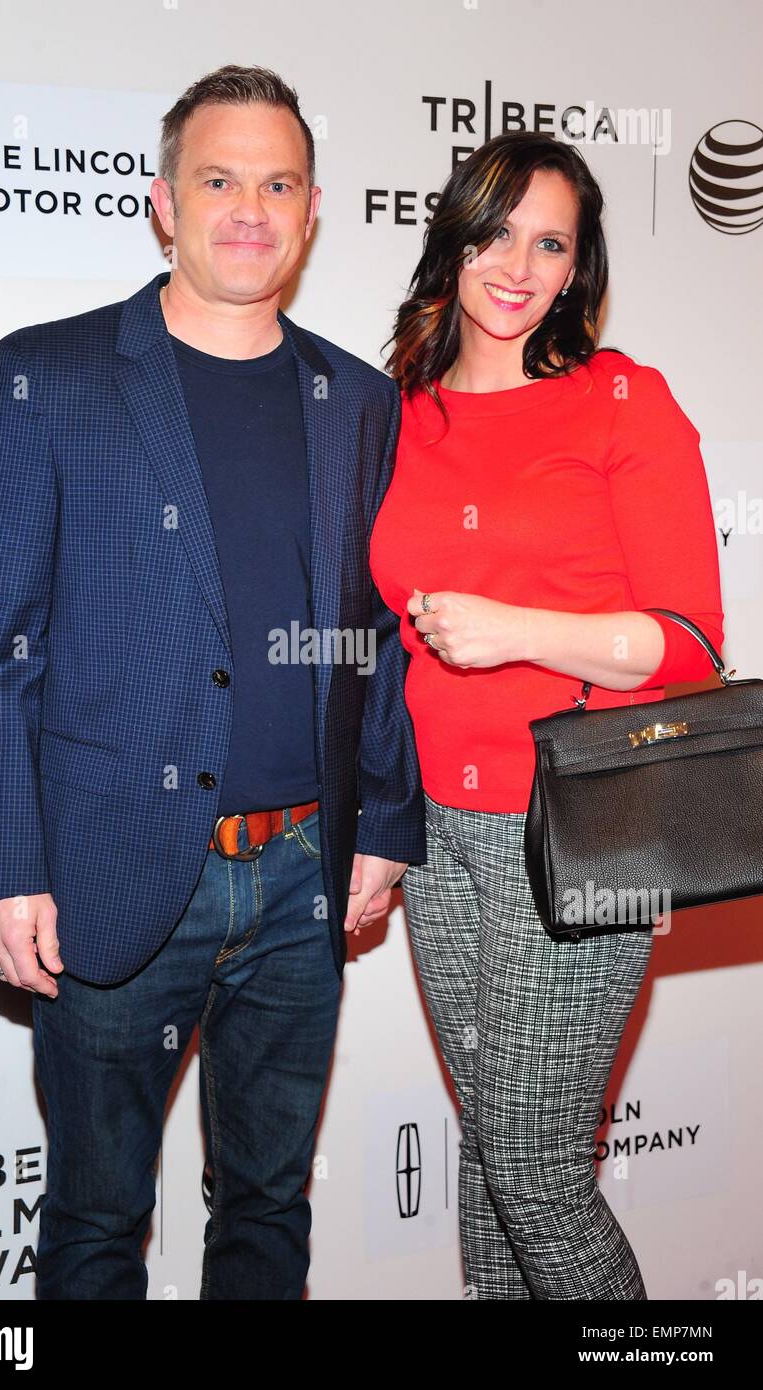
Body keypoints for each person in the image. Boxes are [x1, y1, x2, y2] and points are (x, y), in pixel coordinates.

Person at [0, 63, 425, 1301]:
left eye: (276, 183)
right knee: (98, 1220)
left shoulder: (359, 403)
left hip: (302, 878)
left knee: (267, 1204)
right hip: (107, 867)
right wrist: (2, 868)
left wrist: (380, 819)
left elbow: (368, 632)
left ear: (313, 210)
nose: (248, 209)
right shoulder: (44, 376)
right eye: (219, 180)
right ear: (164, 201)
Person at [369, 130, 723, 1299]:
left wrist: (522, 628)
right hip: (434, 832)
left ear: (576, 266)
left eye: (549, 241)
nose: (517, 265)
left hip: (573, 828)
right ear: (452, 242)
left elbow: (689, 644)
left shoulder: (622, 402)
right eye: (494, 232)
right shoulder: (398, 411)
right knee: (486, 1153)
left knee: (532, 1169)